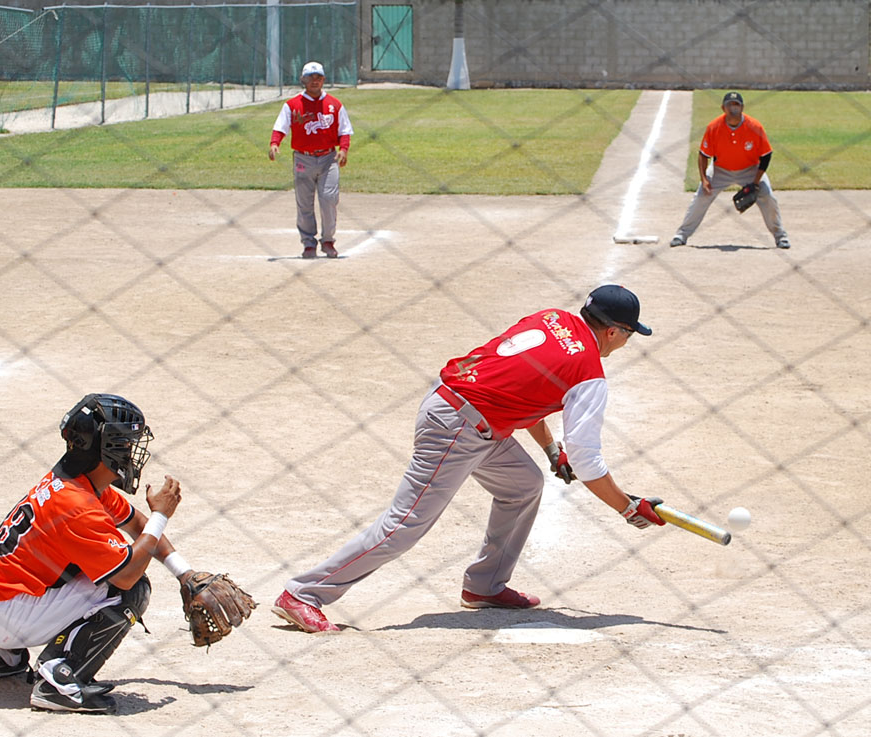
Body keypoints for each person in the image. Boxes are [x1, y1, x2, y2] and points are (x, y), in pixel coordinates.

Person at [272, 285, 667, 633]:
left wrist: (550, 448)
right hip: (458, 426)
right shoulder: (589, 371)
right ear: (614, 331)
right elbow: (586, 460)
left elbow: (520, 386)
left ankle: (485, 585)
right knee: (405, 525)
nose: (625, 343)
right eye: (629, 335)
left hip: (467, 414)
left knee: (523, 486)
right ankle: (304, 593)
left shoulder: (552, 319)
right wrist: (627, 507)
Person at [0, 393, 193, 714]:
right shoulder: (77, 505)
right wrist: (161, 515)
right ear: (102, 448)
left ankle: (3, 656)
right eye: (124, 443)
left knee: (94, 567)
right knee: (131, 589)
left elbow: (138, 525)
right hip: (7, 614)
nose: (131, 452)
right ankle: (60, 678)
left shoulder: (76, 482)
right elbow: (127, 575)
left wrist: (185, 573)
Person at [670, 91, 791, 249]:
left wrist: (755, 182)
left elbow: (766, 156)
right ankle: (682, 234)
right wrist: (704, 180)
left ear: (742, 107)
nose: (733, 108)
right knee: (701, 196)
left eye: (736, 105)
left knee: (767, 196)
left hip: (750, 169)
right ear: (723, 108)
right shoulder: (714, 127)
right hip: (721, 170)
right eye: (729, 105)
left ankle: (780, 236)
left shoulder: (754, 127)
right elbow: (703, 155)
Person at [269, 60, 354, 259]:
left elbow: (344, 130)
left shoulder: (334, 104)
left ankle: (328, 240)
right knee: (304, 203)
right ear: (303, 80)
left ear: (323, 80)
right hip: (302, 158)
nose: (314, 81)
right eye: (310, 78)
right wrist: (275, 143)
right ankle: (308, 243)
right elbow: (280, 127)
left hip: (328, 158)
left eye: (318, 77)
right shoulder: (292, 105)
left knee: (329, 199)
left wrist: (344, 149)